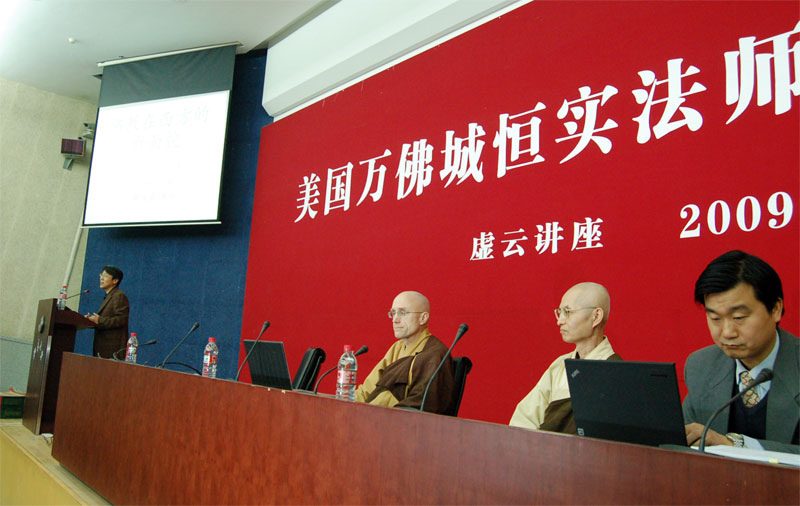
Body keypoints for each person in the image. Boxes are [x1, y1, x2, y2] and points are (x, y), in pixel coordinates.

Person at [683, 250, 799, 454]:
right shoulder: (701, 366)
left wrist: (737, 446)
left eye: (739, 317)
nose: (727, 332)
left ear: (776, 309)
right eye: (715, 318)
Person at [509, 282, 621, 433]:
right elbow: (523, 420)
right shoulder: (560, 365)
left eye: (567, 312)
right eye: (559, 312)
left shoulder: (617, 372)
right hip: (545, 453)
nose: (559, 321)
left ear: (596, 316)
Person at [354, 291, 455, 414]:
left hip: (397, 425)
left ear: (423, 318)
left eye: (403, 313)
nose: (395, 320)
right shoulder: (397, 348)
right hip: (370, 416)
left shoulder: (435, 354)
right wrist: (345, 402)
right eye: (393, 313)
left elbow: (422, 405)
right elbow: (368, 389)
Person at [85, 265, 130, 359]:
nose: (101, 278)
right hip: (103, 348)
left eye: (105, 276)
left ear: (115, 280)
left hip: (112, 350)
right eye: (101, 275)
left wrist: (100, 320)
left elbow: (122, 319)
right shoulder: (110, 296)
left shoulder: (119, 296)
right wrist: (92, 320)